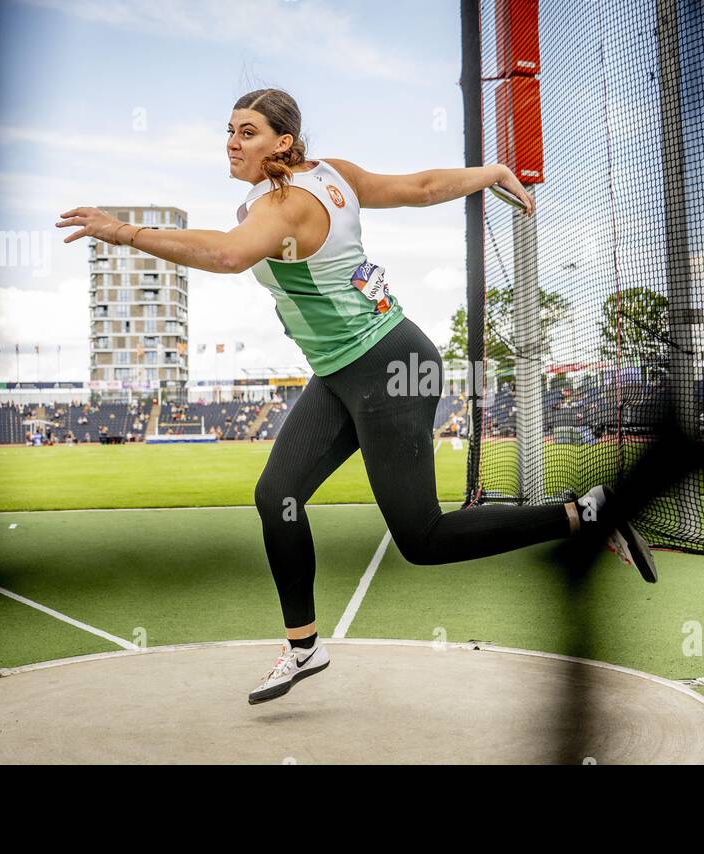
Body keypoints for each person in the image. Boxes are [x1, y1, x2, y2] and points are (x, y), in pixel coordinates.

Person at [57, 87, 658, 705]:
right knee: (277, 494)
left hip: (388, 365)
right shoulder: (327, 176)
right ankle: (303, 646)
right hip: (344, 371)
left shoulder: (287, 203)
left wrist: (124, 231)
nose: (232, 143)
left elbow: (229, 254)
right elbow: (420, 187)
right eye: (230, 131)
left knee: (421, 539)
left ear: (283, 142)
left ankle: (588, 513)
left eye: (248, 132)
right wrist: (490, 172)